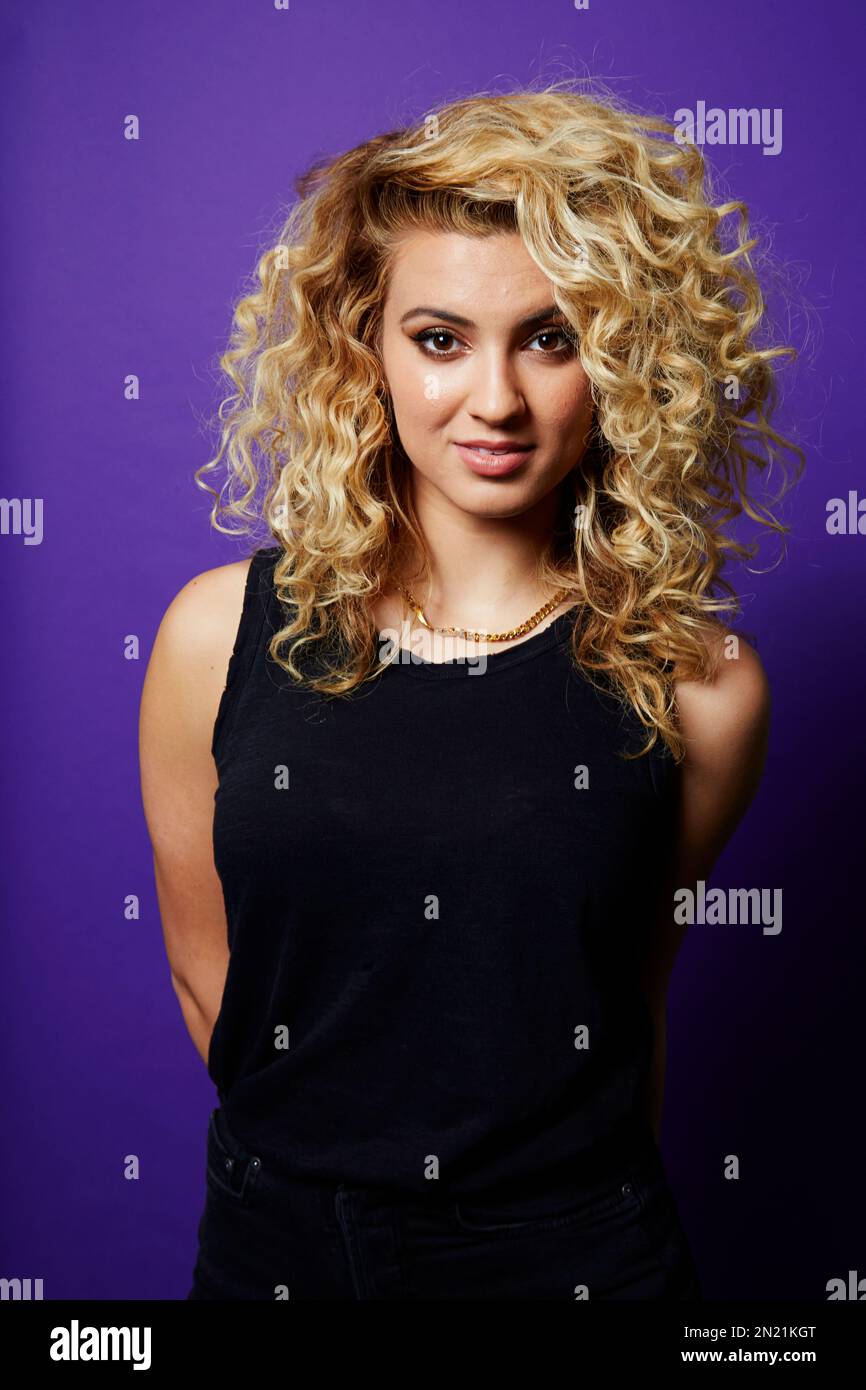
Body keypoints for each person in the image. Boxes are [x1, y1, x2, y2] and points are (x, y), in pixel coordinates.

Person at [138, 82, 803, 1300]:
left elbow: (620, 994)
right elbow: (206, 971)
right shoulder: (215, 634)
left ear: (621, 358)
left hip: (575, 1256)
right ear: (366, 346)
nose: (492, 400)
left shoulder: (699, 688)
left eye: (549, 338)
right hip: (278, 1245)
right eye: (438, 338)